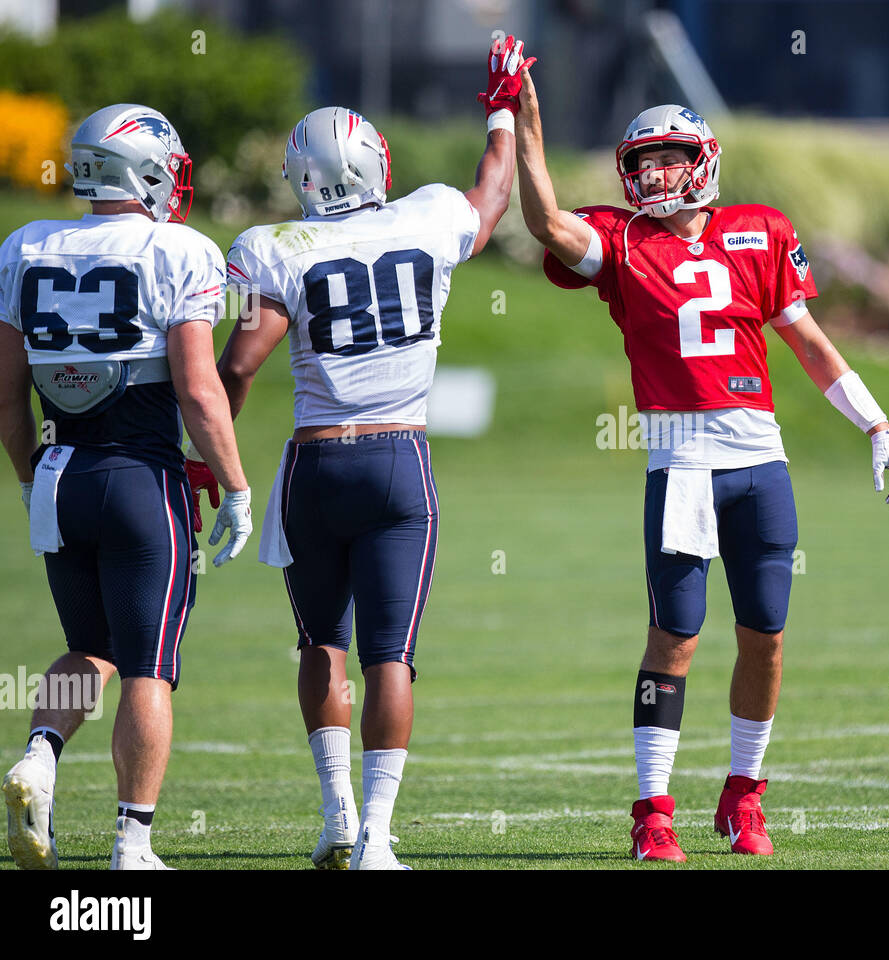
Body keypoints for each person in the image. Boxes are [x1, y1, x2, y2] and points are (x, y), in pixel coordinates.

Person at [513, 69, 889, 860]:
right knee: (676, 637)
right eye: (646, 160)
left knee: (766, 635)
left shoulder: (761, 230)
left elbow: (808, 342)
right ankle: (652, 811)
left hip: (760, 457)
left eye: (670, 157)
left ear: (704, 159)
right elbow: (547, 223)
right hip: (682, 461)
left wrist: (877, 424)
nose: (656, 173)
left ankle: (743, 796)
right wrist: (524, 116)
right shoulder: (622, 241)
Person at [210, 37, 524, 870]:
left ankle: (338, 814)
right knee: (392, 653)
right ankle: (380, 838)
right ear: (376, 165)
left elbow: (238, 364)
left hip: (313, 466)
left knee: (323, 644)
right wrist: (503, 104)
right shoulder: (424, 216)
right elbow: (493, 195)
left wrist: (211, 453)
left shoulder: (276, 248)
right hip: (398, 462)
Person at [0, 104, 252, 870]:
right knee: (147, 665)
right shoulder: (176, 248)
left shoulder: (25, 244)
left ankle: (40, 756)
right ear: (142, 170)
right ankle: (132, 843)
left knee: (90, 646)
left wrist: (25, 477)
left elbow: (7, 394)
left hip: (57, 472)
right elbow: (201, 390)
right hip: (140, 476)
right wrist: (237, 487)